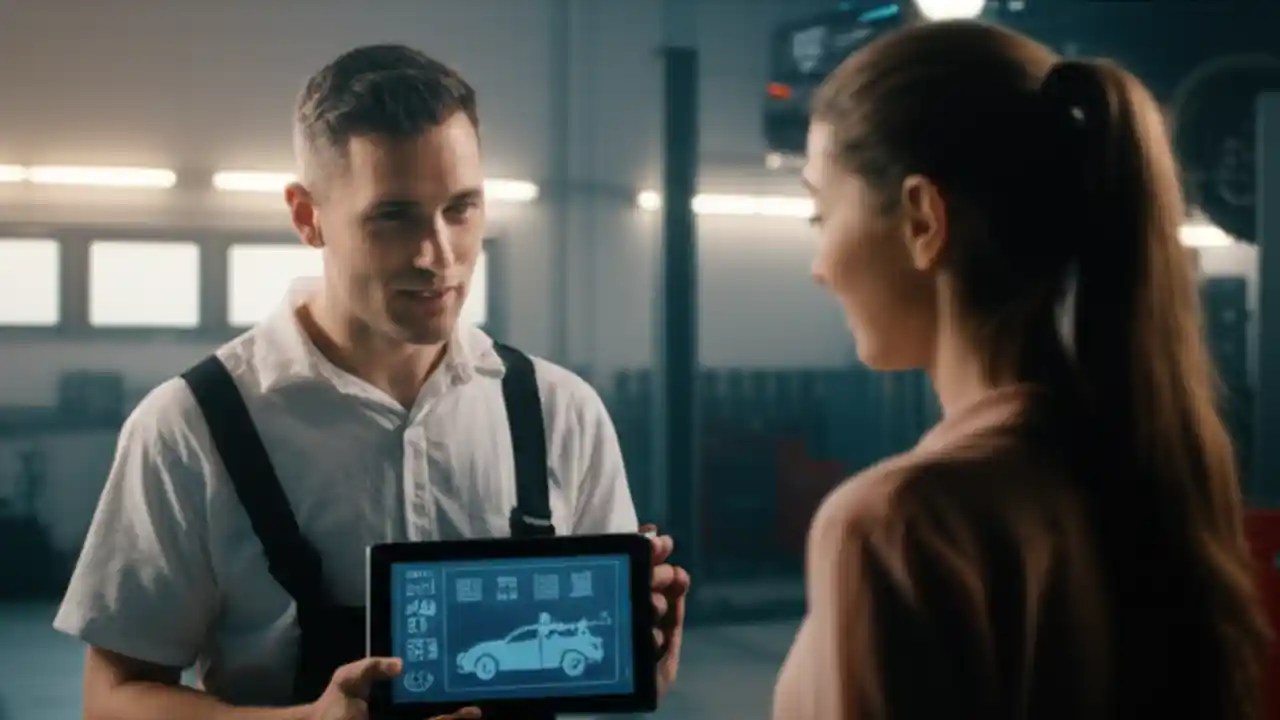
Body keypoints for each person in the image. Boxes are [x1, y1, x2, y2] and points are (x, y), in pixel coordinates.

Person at [53, 44, 689, 720]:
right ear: (308, 216)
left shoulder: (560, 412)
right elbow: (112, 696)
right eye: (394, 216)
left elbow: (595, 665)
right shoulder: (190, 426)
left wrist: (635, 657)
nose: (438, 257)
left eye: (461, 209)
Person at [775, 20, 1269, 720]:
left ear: (922, 219)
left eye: (820, 212)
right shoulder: (1159, 468)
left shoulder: (897, 523)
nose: (818, 268)